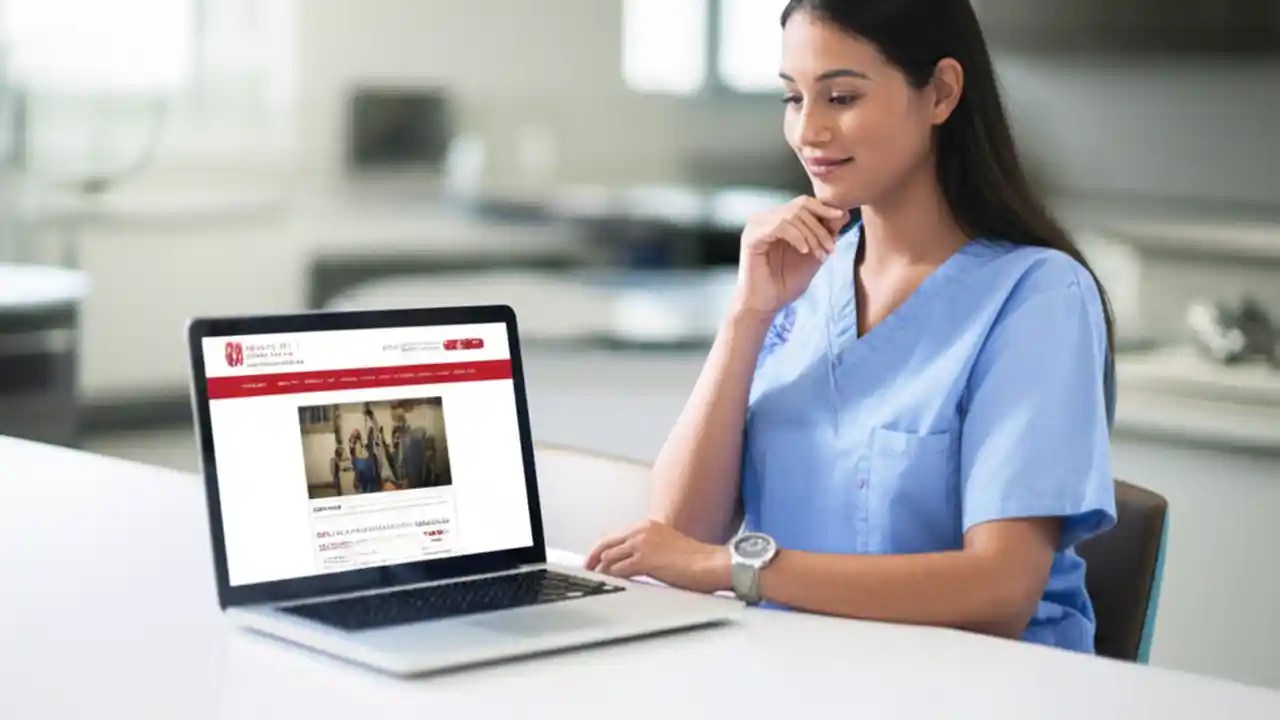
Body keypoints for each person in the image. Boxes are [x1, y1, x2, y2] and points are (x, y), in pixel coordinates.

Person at [586, 0, 1117, 654]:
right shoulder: (804, 281)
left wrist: (739, 569)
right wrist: (747, 316)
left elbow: (1000, 591)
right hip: (798, 672)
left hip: (975, 688)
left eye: (841, 97)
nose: (808, 130)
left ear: (941, 93)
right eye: (793, 98)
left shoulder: (1038, 296)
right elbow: (679, 535)